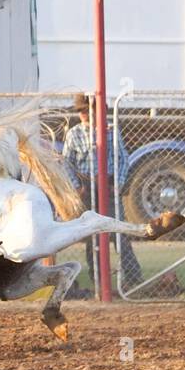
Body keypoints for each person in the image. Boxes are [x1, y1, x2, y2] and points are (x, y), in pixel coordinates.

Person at [61, 93, 142, 291]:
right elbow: (66, 163)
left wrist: (117, 184)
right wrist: (77, 186)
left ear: (98, 112)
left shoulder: (111, 132)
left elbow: (123, 159)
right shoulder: (74, 134)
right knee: (93, 235)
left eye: (87, 110)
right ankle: (97, 278)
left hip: (107, 186)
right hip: (86, 188)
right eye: (81, 111)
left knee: (119, 232)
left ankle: (132, 277)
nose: (84, 114)